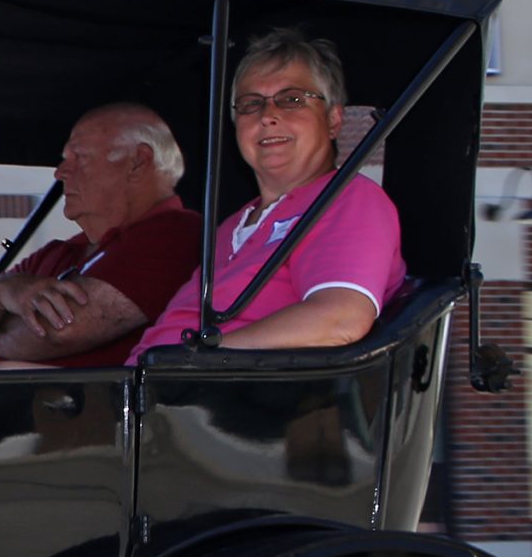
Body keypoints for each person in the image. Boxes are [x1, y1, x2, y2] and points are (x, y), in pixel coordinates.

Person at [132, 26, 405, 358]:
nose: (268, 116)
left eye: (292, 100)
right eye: (251, 104)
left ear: (333, 120)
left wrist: (191, 360)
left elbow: (340, 319)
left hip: (202, 385)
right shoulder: (232, 226)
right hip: (145, 379)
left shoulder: (349, 201)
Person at [0, 103, 200, 369]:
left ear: (138, 162)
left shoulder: (176, 234)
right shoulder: (58, 253)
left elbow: (58, 331)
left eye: (79, 158)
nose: (60, 172)